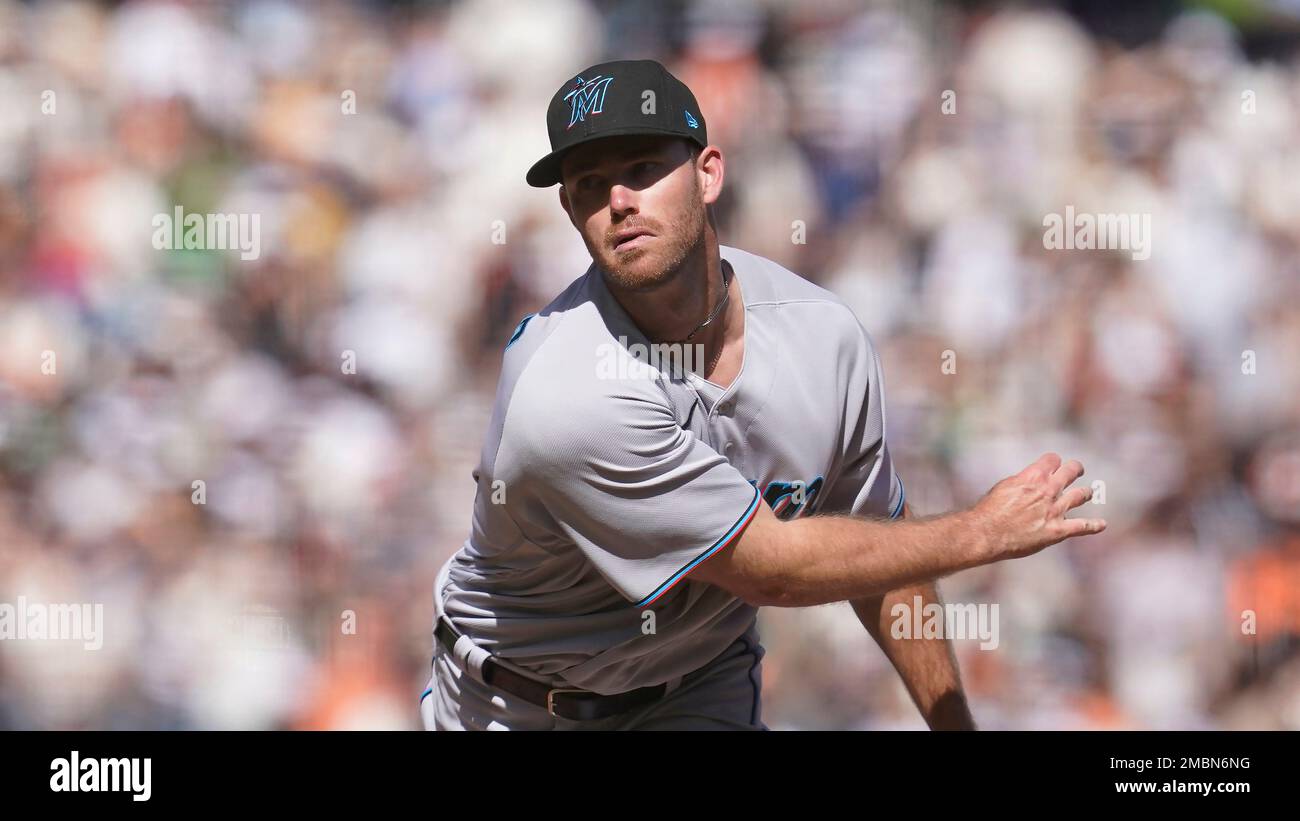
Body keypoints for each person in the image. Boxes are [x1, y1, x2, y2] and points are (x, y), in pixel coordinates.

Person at [419, 59, 1105, 730]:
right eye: (591, 183)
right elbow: (773, 573)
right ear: (571, 210)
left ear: (709, 172)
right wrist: (981, 529)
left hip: (697, 684)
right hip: (516, 701)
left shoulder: (822, 336)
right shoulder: (567, 390)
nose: (619, 201)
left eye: (642, 169)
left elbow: (883, 552)